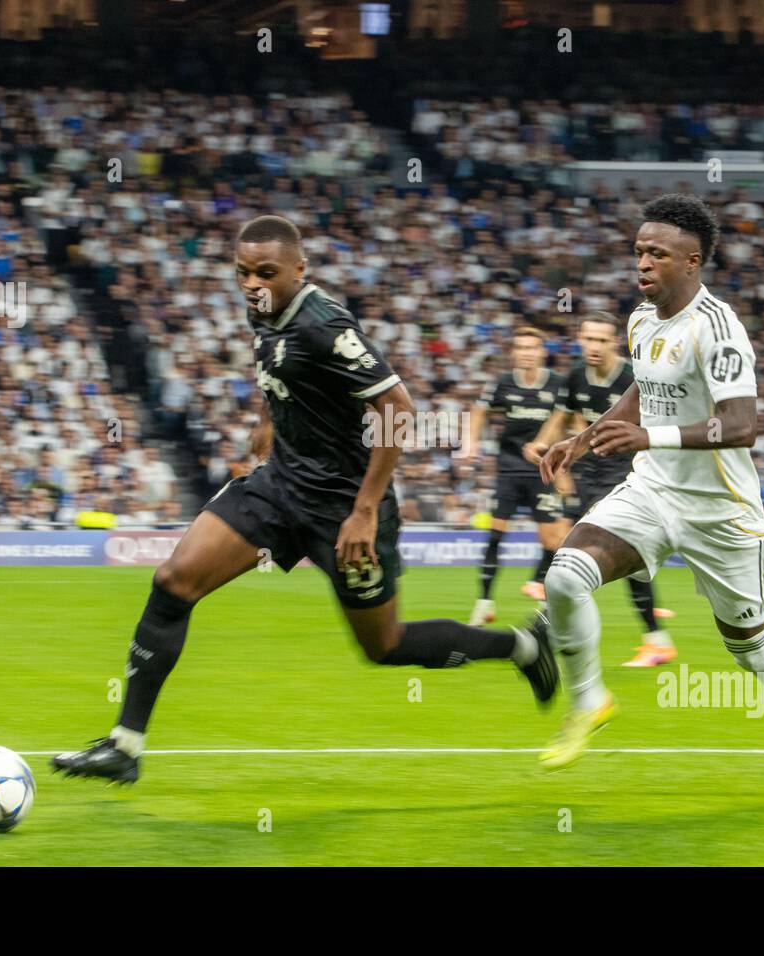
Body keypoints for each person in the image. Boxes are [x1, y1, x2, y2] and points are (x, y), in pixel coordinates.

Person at [53, 215, 557, 783]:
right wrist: (266, 423)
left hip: (345, 507)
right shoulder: (263, 309)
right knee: (173, 581)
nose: (252, 284)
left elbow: (397, 409)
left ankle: (521, 647)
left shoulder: (325, 324)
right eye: (242, 272)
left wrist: (365, 510)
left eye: (266, 273)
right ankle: (125, 746)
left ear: (300, 269)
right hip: (280, 486)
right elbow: (281, 371)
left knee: (385, 645)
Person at [536, 195, 764, 798]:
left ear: (692, 261)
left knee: (753, 652)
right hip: (654, 491)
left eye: (657, 254)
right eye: (638, 252)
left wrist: (649, 435)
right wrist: (583, 438)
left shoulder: (719, 329)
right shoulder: (641, 320)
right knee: (566, 576)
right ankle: (589, 701)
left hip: (721, 513)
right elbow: (642, 392)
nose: (643, 263)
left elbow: (741, 424)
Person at [525, 312, 677, 667]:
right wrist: (542, 443)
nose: (593, 346)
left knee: (583, 545)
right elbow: (562, 416)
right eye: (588, 339)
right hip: (589, 471)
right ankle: (655, 640)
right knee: (618, 560)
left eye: (601, 340)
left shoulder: (631, 377)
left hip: (627, 471)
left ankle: (551, 624)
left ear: (615, 343)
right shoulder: (576, 375)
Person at [462, 327, 569, 625]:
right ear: (514, 352)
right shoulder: (503, 383)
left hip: (544, 471)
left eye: (532, 347)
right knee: (495, 535)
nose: (526, 352)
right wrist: (471, 443)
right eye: (520, 347)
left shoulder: (559, 385)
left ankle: (544, 597)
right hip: (509, 469)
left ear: (542, 352)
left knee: (552, 542)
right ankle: (484, 602)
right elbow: (479, 412)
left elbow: (571, 419)